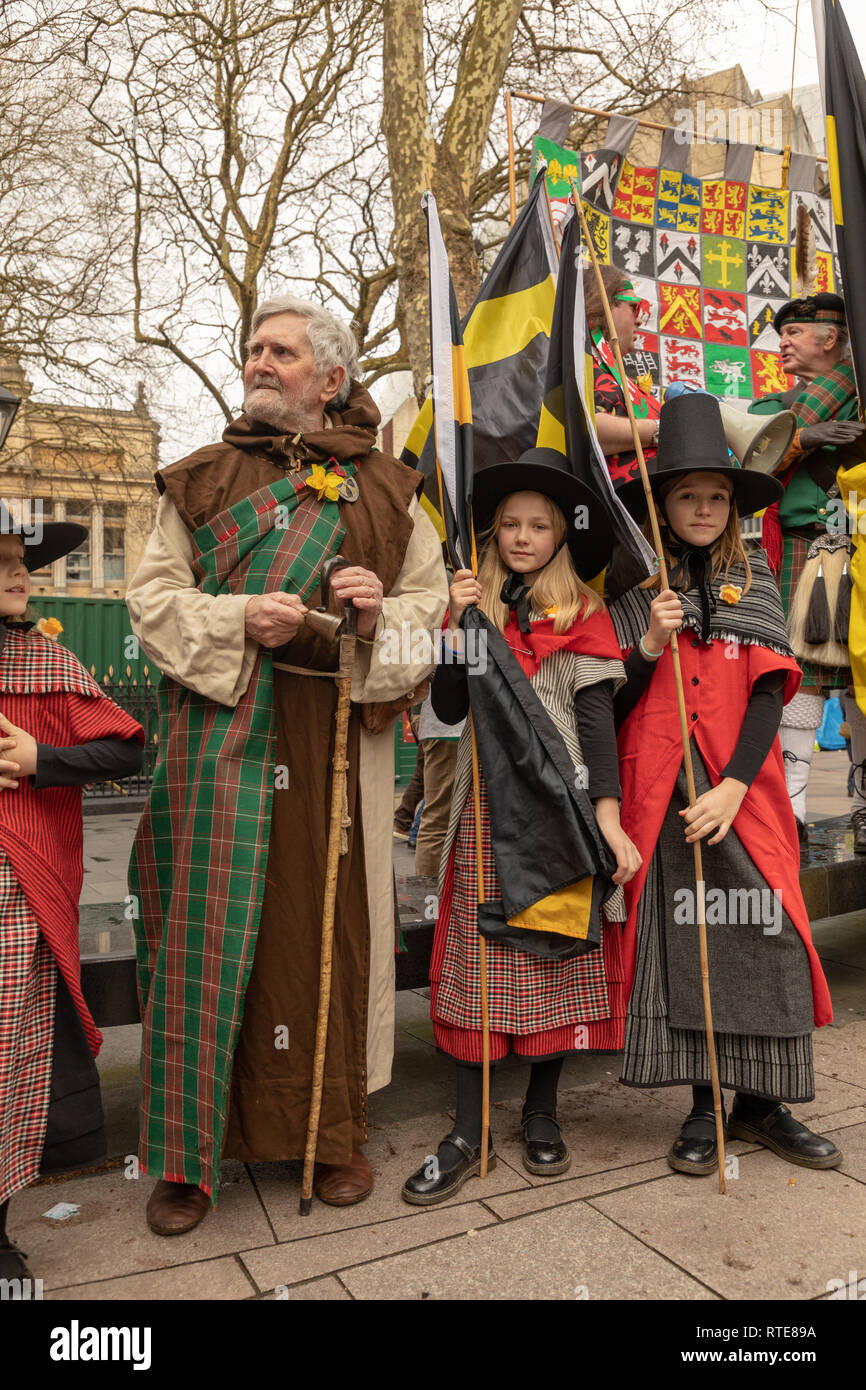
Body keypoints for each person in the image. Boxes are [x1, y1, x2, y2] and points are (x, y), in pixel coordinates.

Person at [126, 295, 447, 1235]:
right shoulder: (198, 478)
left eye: (284, 352)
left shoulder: (391, 491)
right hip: (218, 739)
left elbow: (430, 613)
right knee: (204, 935)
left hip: (336, 741)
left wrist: (376, 615)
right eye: (254, 349)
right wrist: (236, 620)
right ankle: (188, 1153)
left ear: (333, 378)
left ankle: (328, 1130)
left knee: (326, 930)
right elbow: (150, 600)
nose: (261, 362)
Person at [402, 450, 642, 1205]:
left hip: (561, 814)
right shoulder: (474, 610)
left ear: (560, 536)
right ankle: (469, 1127)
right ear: (494, 532)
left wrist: (608, 819)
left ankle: (542, 1111)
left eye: (539, 525)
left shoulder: (587, 616)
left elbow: (598, 724)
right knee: (480, 965)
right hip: (484, 809)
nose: (523, 535)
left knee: (553, 961)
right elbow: (444, 711)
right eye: (510, 523)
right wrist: (458, 630)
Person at [610, 393, 841, 1175]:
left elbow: (773, 692)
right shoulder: (637, 585)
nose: (703, 508)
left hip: (742, 790)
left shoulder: (760, 579)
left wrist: (737, 785)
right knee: (687, 941)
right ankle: (706, 1108)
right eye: (687, 496)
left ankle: (763, 1106)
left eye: (716, 496)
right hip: (663, 789)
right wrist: (647, 645)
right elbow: (611, 701)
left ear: (732, 504)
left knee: (768, 930)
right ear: (663, 504)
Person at [0, 519, 144, 1280]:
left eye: (21, 560)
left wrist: (40, 758)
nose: (18, 572)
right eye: (1, 562)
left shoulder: (45, 657)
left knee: (12, 1064)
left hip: (19, 901)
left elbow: (126, 744)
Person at [748, 292, 866, 846]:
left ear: (834, 336)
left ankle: (863, 801)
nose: (783, 343)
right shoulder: (772, 405)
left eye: (795, 333)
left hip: (862, 540)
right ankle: (792, 802)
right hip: (806, 547)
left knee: (863, 681)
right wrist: (803, 435)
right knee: (806, 672)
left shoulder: (857, 392)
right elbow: (751, 449)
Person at [586, 266, 661, 489]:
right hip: (613, 511)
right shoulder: (578, 364)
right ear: (604, 306)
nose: (639, 321)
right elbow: (583, 428)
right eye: (634, 308)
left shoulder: (611, 370)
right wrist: (662, 430)